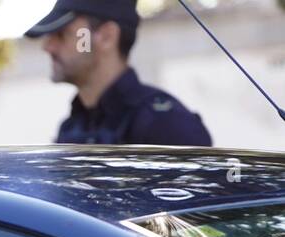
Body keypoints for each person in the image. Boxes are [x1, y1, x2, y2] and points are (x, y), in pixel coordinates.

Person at [26, 0, 213, 146]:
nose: (47, 47)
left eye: (61, 35)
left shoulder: (164, 124)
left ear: (107, 37)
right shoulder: (71, 127)